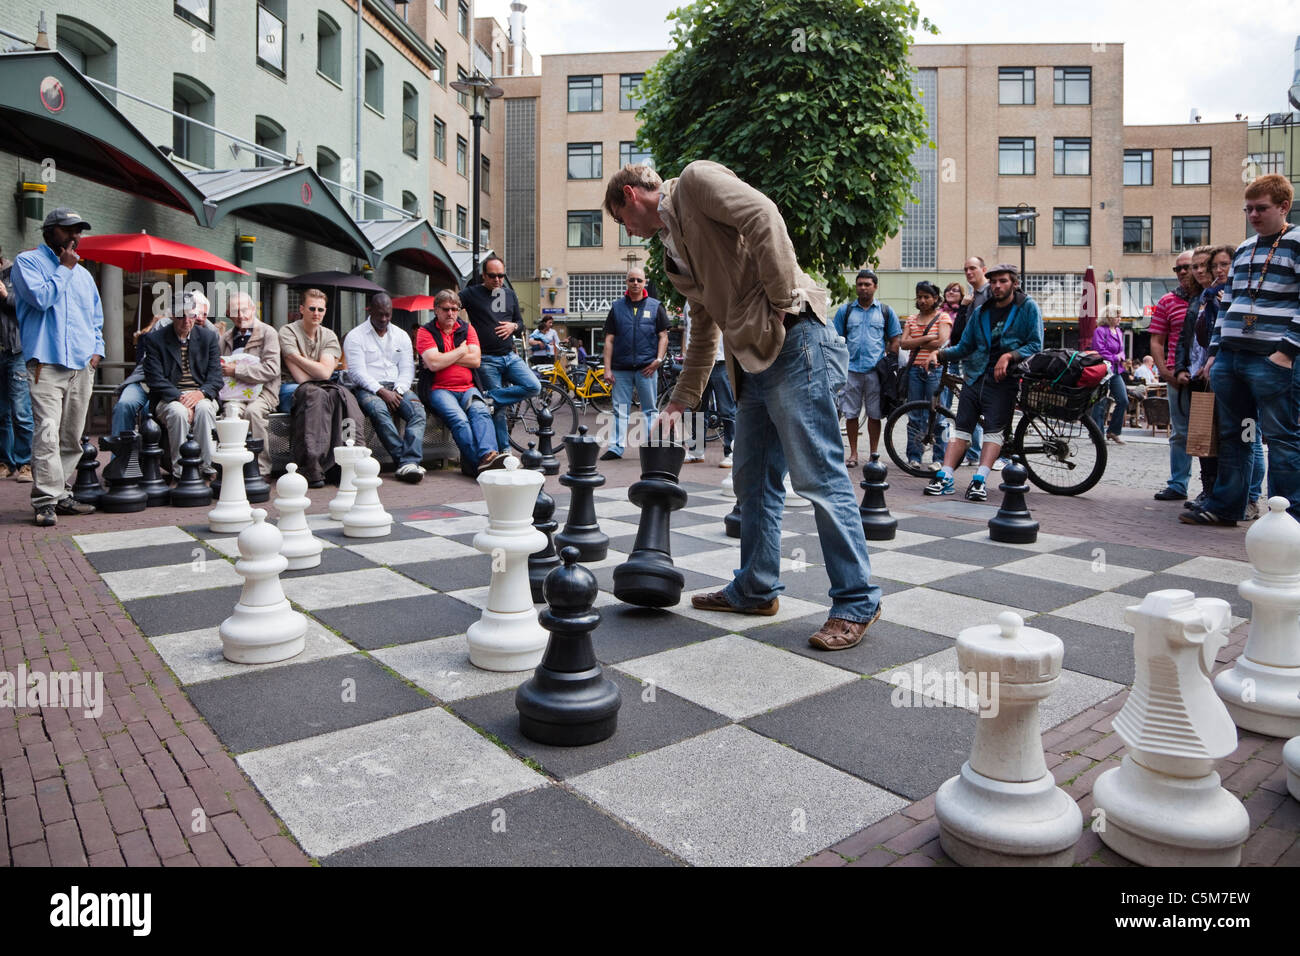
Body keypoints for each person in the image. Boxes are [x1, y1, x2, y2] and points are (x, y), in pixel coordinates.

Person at [605, 160, 883, 651]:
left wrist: (782, 294)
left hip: (796, 341)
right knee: (751, 482)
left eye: (621, 219)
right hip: (750, 363)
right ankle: (755, 589)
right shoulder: (671, 255)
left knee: (819, 476)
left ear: (630, 196)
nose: (627, 230)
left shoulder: (693, 183)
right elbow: (703, 324)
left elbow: (763, 215)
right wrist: (681, 400)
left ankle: (857, 600)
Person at [1182, 174, 1300, 526]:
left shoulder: (1295, 242)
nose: (1253, 215)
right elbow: (1229, 302)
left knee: (1282, 438)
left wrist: (1286, 352)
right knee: (1237, 435)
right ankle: (1227, 506)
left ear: (1284, 206)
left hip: (1273, 360)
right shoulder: (1247, 247)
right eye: (1248, 209)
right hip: (1232, 359)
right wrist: (1217, 352)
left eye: (1261, 208)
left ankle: (1288, 517)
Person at [11, 208, 102, 526]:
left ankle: (60, 494)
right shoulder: (27, 263)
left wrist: (97, 352)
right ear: (49, 232)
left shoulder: (85, 275)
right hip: (45, 365)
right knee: (47, 434)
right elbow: (40, 298)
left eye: (78, 230)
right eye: (68, 230)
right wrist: (64, 268)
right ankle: (45, 500)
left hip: (81, 365)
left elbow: (95, 319)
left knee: (71, 437)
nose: (75, 237)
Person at [925, 263, 1043, 501]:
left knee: (992, 432)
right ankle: (946, 476)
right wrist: (940, 353)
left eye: (1003, 281)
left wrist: (1009, 356)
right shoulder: (981, 312)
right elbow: (966, 346)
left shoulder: (1027, 307)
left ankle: (979, 480)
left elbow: (1035, 344)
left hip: (1004, 380)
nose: (997, 286)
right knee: (961, 429)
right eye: (994, 282)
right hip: (975, 376)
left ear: (1014, 283)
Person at [1175, 244, 1266, 519]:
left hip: (1244, 371)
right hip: (1210, 372)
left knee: (1251, 435)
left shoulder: (1240, 292)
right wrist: (1197, 364)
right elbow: (1200, 336)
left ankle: (1250, 498)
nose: (1215, 270)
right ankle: (1221, 497)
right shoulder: (1205, 297)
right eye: (1210, 266)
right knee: (1222, 437)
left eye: (1221, 264)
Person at [279, 288, 362, 488]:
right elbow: (300, 378)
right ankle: (312, 465)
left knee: (341, 396)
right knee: (316, 395)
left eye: (321, 310)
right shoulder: (287, 332)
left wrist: (296, 357)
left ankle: (340, 463)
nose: (317, 313)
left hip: (323, 387)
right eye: (312, 308)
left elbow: (325, 375)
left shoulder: (330, 335)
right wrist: (319, 369)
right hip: (290, 389)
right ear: (301, 309)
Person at [415, 289, 503, 475]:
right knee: (460, 421)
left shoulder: (467, 328)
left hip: (468, 388)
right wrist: (461, 351)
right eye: (446, 309)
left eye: (455, 309)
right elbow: (433, 363)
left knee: (481, 412)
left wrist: (444, 358)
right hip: (439, 390)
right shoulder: (425, 332)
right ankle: (482, 465)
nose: (451, 313)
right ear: (436, 310)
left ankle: (487, 456)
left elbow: (476, 361)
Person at [460, 256, 540, 452]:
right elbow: (450, 306)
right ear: (483, 276)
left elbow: (521, 325)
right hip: (487, 359)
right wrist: (460, 333)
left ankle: (489, 397)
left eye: (501, 276)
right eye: (492, 276)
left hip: (510, 356)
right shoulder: (471, 294)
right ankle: (504, 452)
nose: (497, 280)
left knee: (534, 386)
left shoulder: (509, 294)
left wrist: (514, 326)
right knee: (499, 410)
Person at [343, 292, 425, 482]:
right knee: (380, 411)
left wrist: (399, 390)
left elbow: (406, 369)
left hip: (397, 387)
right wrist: (381, 391)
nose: (384, 319)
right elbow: (357, 373)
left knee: (418, 412)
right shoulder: (355, 336)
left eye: (388, 314)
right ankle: (405, 463)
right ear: (369, 310)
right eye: (379, 314)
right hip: (368, 388)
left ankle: (409, 462)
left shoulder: (401, 335)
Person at [141, 291, 223, 476]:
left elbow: (216, 377)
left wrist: (201, 393)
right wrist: (180, 397)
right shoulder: (155, 340)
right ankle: (181, 473)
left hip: (201, 394)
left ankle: (207, 469)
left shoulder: (208, 337)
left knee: (204, 409)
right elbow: (155, 379)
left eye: (191, 315)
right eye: (181, 316)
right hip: (170, 397)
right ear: (171, 315)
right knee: (177, 412)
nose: (187, 321)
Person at [831, 269, 901, 467]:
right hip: (850, 370)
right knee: (851, 414)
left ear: (875, 287)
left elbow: (895, 338)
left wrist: (889, 361)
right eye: (860, 284)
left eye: (867, 284)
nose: (863, 288)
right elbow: (836, 339)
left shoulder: (886, 311)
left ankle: (873, 453)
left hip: (875, 372)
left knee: (874, 415)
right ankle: (853, 454)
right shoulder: (846, 311)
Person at [600, 267, 668, 461]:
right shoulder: (617, 307)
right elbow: (609, 340)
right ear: (626, 282)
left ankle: (652, 447)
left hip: (647, 368)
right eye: (632, 280)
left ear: (645, 282)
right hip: (620, 369)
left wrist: (658, 360)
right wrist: (607, 369)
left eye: (639, 280)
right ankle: (616, 447)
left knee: (650, 409)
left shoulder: (656, 306)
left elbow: (663, 336)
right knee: (620, 409)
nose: (635, 283)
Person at [1149, 250, 1198, 502]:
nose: (1181, 273)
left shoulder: (1209, 297)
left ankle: (1212, 487)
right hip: (1175, 377)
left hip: (1205, 376)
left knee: (1212, 432)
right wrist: (1165, 372)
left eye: (1186, 267)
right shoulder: (1167, 301)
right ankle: (1178, 484)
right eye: (1177, 269)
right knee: (1180, 432)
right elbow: (1156, 341)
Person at [219, 290, 280, 477]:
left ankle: (262, 470)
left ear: (253, 309)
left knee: (253, 412)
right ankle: (233, 467)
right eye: (235, 311)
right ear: (229, 314)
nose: (241, 316)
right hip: (234, 394)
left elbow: (272, 369)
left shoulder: (268, 333)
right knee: (231, 412)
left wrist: (236, 371)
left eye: (244, 310)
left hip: (265, 392)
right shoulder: (226, 338)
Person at [900, 281, 951, 469]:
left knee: (938, 414)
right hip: (914, 369)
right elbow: (903, 344)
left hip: (935, 369)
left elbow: (942, 341)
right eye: (919, 296)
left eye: (926, 297)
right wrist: (928, 338)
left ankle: (940, 459)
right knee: (914, 414)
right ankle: (914, 457)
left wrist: (917, 341)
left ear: (935, 299)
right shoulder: (912, 319)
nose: (922, 300)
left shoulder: (942, 316)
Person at [681, 301, 736, 466]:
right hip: (697, 364)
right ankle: (696, 451)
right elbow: (687, 329)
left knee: (728, 409)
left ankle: (732, 452)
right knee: (696, 409)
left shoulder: (720, 295)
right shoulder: (689, 301)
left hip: (720, 361)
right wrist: (686, 355)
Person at [955, 257, 994, 466]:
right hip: (972, 362)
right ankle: (973, 453)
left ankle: (1000, 456)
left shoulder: (989, 294)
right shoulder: (972, 298)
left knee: (991, 410)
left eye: (973, 268)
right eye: (965, 269)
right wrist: (963, 307)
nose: (969, 272)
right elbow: (961, 335)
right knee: (972, 410)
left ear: (984, 270)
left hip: (987, 362)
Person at [0, 244, 33, 483]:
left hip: (16, 350)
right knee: (1, 413)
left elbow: (27, 309)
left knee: (21, 411)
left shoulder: (15, 274)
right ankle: (5, 461)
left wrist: (4, 295)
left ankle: (25, 463)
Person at [1089, 312, 1128, 443]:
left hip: (1116, 370)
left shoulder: (1118, 331)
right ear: (1109, 317)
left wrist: (1121, 356)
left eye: (1119, 316)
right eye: (1117, 316)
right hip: (1103, 369)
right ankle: (1097, 434)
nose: (1119, 318)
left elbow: (1121, 349)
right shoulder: (1100, 331)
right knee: (1100, 402)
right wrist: (1115, 357)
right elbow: (1098, 350)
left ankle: (1113, 431)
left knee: (1123, 400)